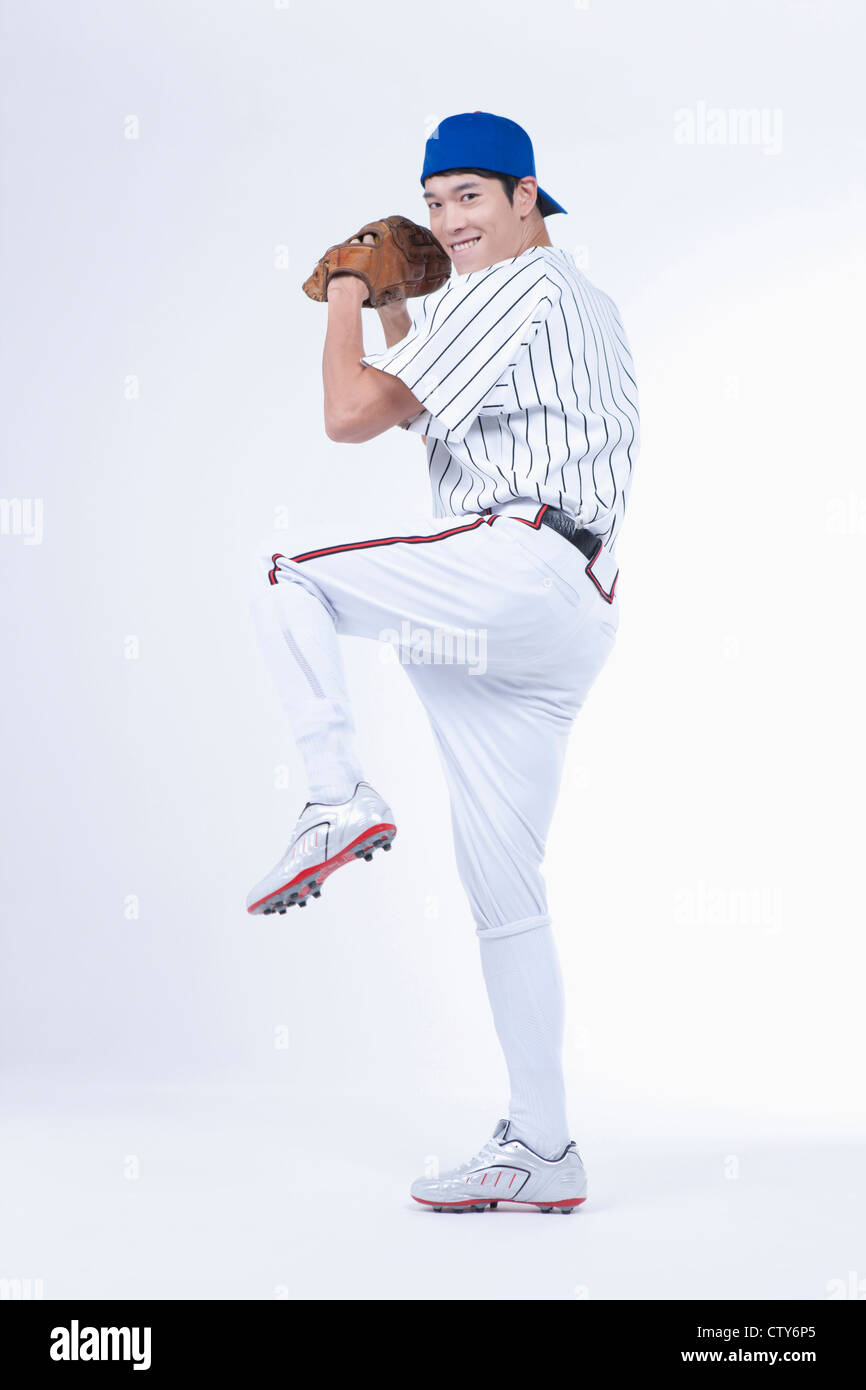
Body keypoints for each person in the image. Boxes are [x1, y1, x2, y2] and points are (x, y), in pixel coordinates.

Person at [246, 111, 640, 1212]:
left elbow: (348, 412)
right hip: (554, 612)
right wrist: (400, 302)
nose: (444, 219)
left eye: (468, 194)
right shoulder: (563, 308)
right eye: (430, 202)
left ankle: (333, 796)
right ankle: (542, 1148)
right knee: (505, 892)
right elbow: (443, 423)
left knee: (294, 576)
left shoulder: (526, 290)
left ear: (529, 200)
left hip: (514, 567)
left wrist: (341, 291)